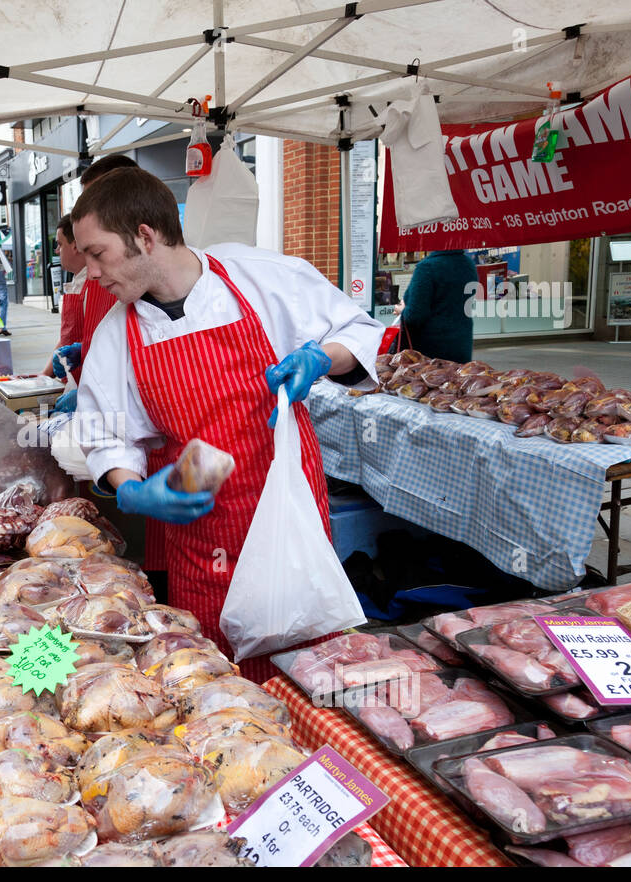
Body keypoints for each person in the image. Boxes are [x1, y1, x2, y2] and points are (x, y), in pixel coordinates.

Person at [71, 166, 383, 683]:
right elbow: (106, 433)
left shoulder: (263, 276)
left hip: (286, 508)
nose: (91, 273)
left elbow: (361, 332)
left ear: (144, 237)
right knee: (211, 678)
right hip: (200, 531)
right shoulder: (115, 334)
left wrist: (322, 358)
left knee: (309, 664)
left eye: (97, 254)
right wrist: (131, 491)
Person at [39, 154, 141, 413]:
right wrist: (84, 351)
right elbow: (119, 344)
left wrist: (100, 401)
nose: (93, 273)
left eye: (97, 253)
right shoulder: (101, 278)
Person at [395, 249, 478, 361]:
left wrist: (402, 310)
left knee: (433, 378)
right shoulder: (468, 264)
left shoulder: (427, 267)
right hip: (462, 344)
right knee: (459, 377)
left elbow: (415, 316)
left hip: (431, 350)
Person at [42, 215, 86, 414]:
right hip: (73, 380)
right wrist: (44, 375)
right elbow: (66, 336)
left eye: (60, 244)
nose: (57, 251)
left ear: (75, 245)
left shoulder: (98, 284)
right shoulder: (77, 281)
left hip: (89, 385)